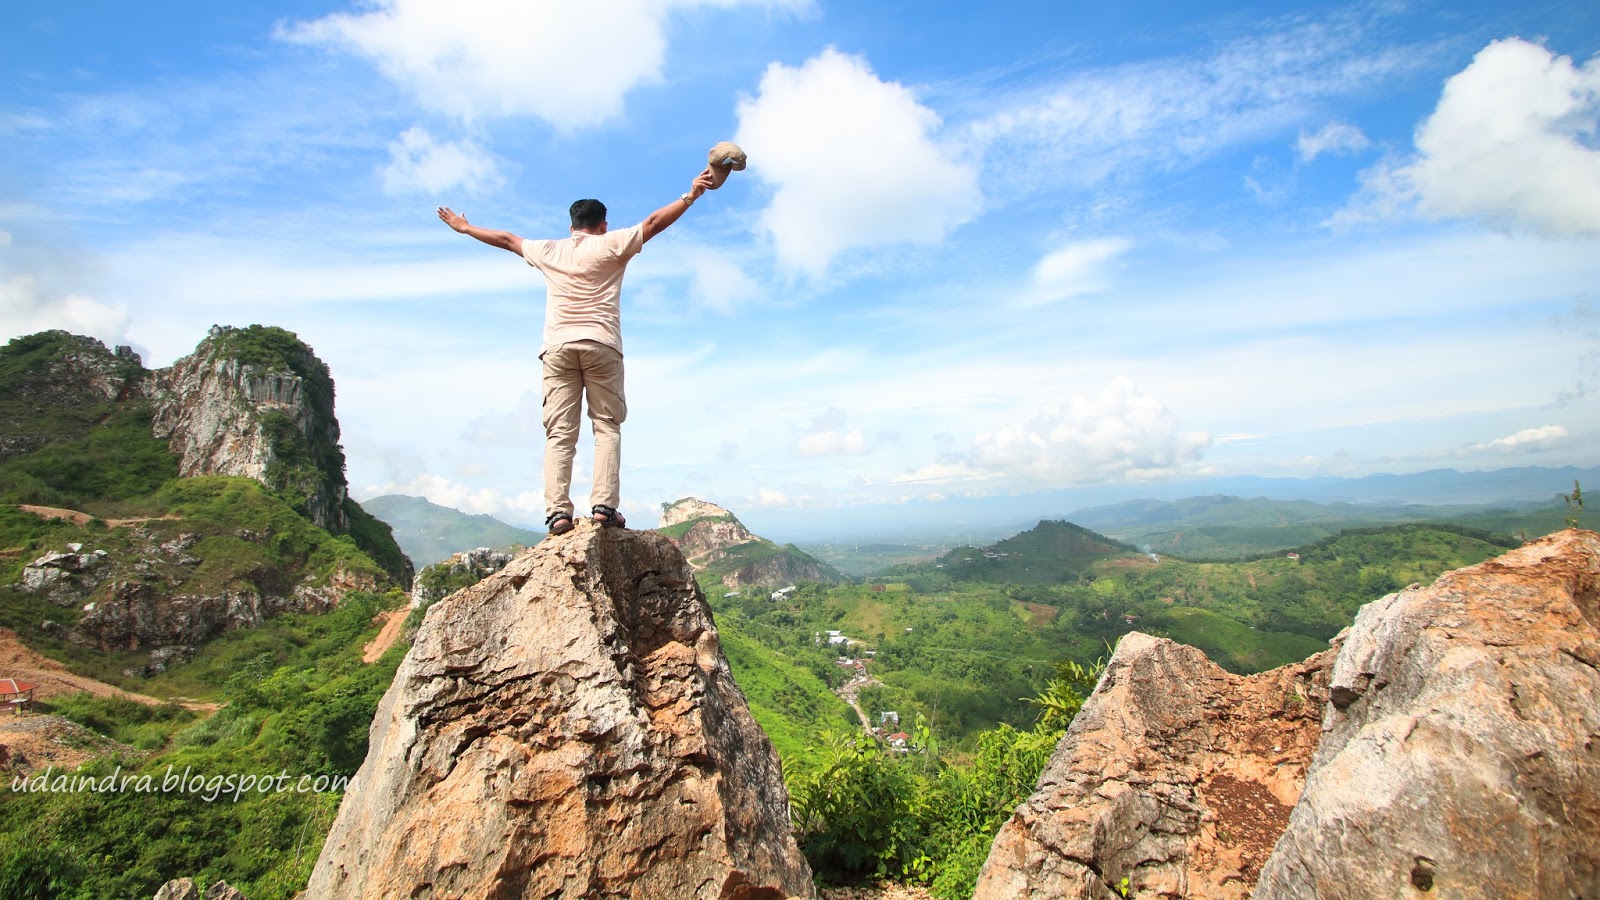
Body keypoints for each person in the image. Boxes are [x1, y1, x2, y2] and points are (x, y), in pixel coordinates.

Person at [438, 167, 715, 535]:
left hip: (557, 348)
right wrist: (691, 194)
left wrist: (465, 227)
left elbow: (506, 239)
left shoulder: (549, 250)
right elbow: (652, 223)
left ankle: (558, 513)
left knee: (560, 434)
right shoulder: (611, 243)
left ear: (572, 226)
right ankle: (603, 507)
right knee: (606, 426)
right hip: (602, 345)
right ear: (602, 225)